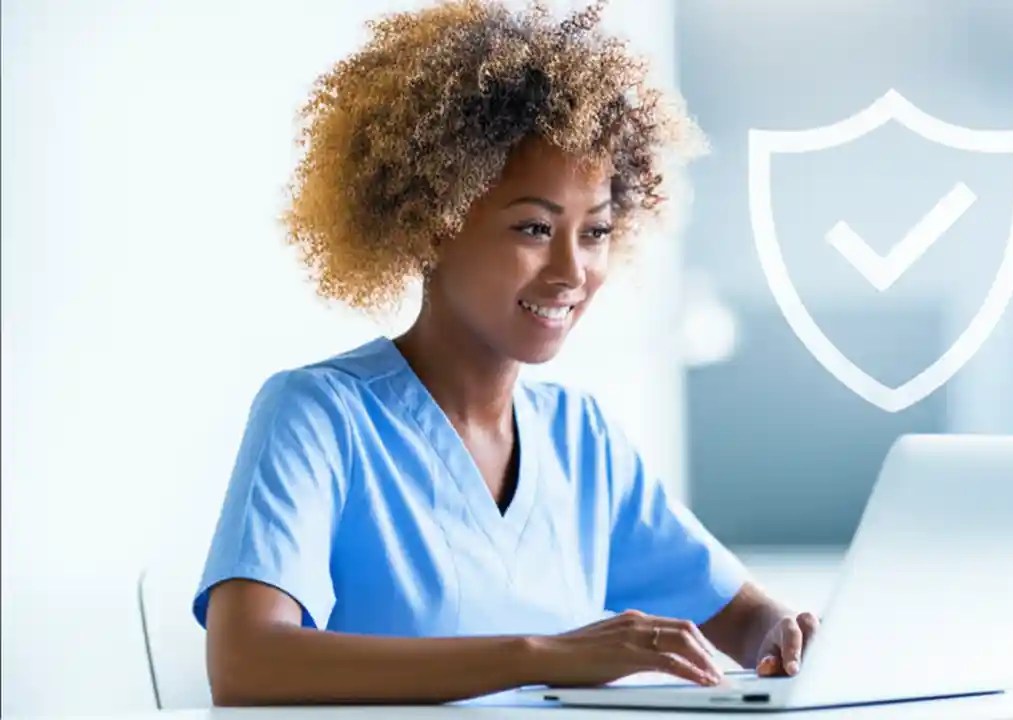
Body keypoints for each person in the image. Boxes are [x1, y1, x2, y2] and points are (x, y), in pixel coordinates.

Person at [194, 0, 817, 706]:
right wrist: (540, 655)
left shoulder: (581, 439)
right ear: (431, 222)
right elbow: (246, 663)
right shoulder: (319, 417)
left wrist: (781, 634)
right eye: (532, 227)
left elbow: (743, 618)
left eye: (596, 232)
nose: (571, 272)